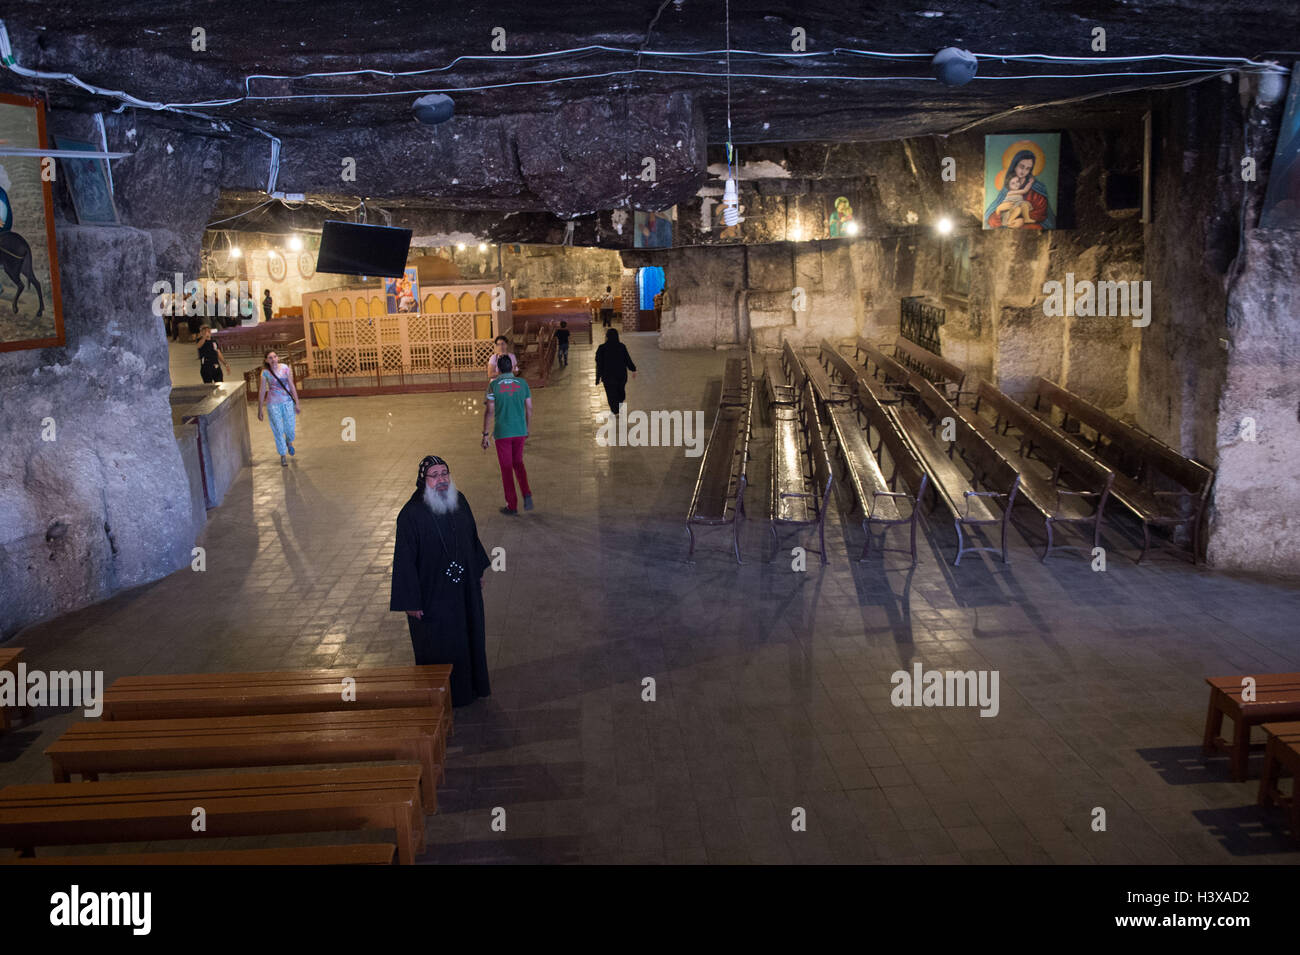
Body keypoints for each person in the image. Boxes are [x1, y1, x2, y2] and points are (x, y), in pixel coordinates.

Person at [390, 455, 491, 708]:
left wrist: (477, 570)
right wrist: (410, 602)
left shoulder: (460, 501)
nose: (441, 480)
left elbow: (471, 537)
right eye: (434, 475)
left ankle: (471, 689)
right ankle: (442, 698)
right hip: (433, 596)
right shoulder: (410, 515)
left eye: (444, 473)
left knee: (468, 638)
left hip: (464, 590)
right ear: (423, 481)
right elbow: (404, 562)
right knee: (440, 646)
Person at [481, 355, 533, 515]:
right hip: (520, 431)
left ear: (497, 369)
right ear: (512, 367)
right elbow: (529, 408)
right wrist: (527, 428)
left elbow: (489, 411)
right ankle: (526, 493)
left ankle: (512, 505)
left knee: (506, 468)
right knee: (518, 463)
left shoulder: (493, 386)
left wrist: (485, 434)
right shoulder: (523, 384)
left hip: (503, 433)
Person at [257, 349, 302, 466]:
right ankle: (282, 454)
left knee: (290, 428)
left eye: (275, 357)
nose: (273, 360)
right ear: (266, 360)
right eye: (270, 358)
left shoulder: (285, 368)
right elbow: (262, 391)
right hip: (273, 404)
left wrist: (297, 402)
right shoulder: (265, 373)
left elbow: (291, 385)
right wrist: (260, 408)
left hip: (287, 401)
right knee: (278, 429)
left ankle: (289, 442)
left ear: (278, 358)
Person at [594, 327, 637, 416]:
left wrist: (598, 377)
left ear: (607, 337)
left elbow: (599, 364)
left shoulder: (602, 348)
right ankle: (618, 407)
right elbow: (627, 360)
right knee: (620, 391)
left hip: (607, 376)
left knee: (611, 394)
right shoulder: (621, 346)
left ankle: (615, 410)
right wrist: (633, 369)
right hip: (621, 375)